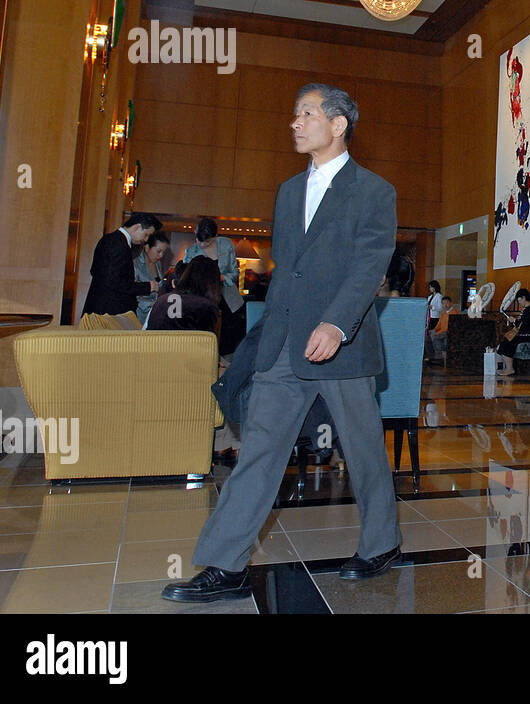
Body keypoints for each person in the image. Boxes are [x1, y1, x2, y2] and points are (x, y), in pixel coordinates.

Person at [163, 83, 401, 603]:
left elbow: (369, 266)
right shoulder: (289, 190)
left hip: (343, 345)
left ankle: (382, 543)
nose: (295, 123)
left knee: (363, 453)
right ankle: (225, 565)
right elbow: (287, 272)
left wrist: (337, 325)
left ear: (338, 125)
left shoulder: (375, 191)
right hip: (284, 347)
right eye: (295, 115)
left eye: (307, 114)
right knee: (259, 454)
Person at [184, 217, 247, 356]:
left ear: (215, 237)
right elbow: (186, 279)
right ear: (195, 232)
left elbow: (235, 272)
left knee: (229, 337)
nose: (202, 244)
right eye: (199, 240)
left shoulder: (226, 245)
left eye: (207, 242)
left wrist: (222, 277)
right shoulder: (191, 252)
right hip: (204, 298)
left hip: (227, 298)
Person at [80, 212, 162, 317]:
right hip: (109, 312)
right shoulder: (120, 245)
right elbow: (115, 282)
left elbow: (96, 271)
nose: (145, 240)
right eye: (146, 234)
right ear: (137, 227)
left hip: (100, 307)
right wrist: (148, 286)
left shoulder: (109, 239)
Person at [146, 256, 222, 334]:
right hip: (187, 345)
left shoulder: (161, 300)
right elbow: (206, 341)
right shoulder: (206, 307)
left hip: (153, 345)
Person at [134, 230, 170, 325]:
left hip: (155, 314)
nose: (161, 255)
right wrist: (150, 304)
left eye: (163, 252)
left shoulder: (158, 264)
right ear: (147, 248)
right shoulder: (135, 265)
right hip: (139, 316)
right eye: (158, 251)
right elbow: (131, 293)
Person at [497, 289, 530, 368]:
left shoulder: (529, 310)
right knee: (505, 343)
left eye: (519, 300)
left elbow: (524, 324)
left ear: (523, 298)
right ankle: (508, 367)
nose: (519, 302)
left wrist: (514, 320)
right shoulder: (528, 310)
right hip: (523, 334)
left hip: (526, 335)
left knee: (506, 344)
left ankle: (509, 368)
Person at [428, 295, 457, 362]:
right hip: (442, 331)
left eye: (447, 303)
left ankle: (439, 356)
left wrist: (437, 332)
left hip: (448, 332)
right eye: (443, 303)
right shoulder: (444, 313)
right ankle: (434, 355)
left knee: (436, 336)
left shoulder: (454, 312)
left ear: (451, 303)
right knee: (429, 335)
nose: (445, 305)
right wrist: (434, 330)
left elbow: (449, 327)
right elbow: (439, 324)